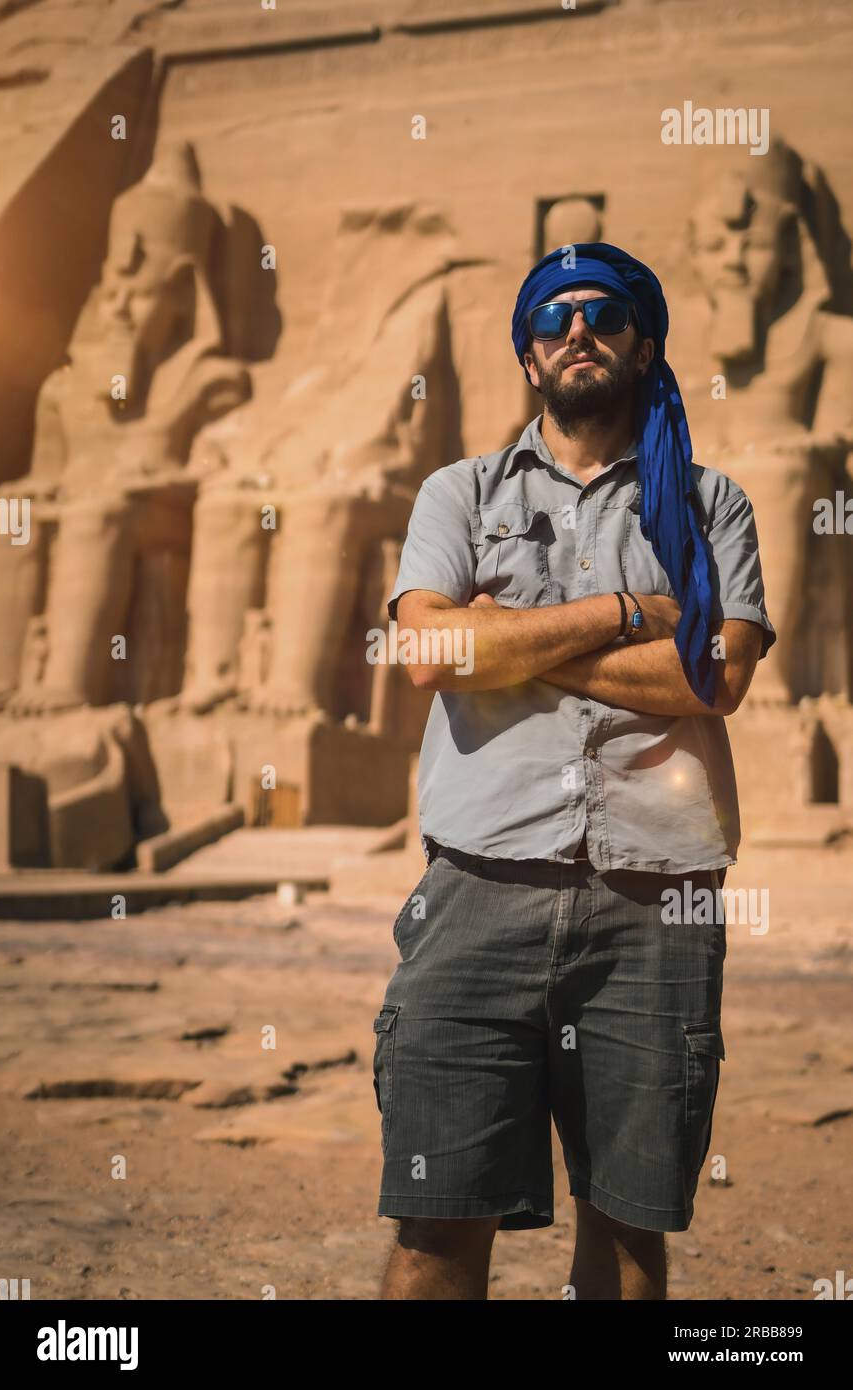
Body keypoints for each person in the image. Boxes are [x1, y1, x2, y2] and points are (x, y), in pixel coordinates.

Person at [372, 242, 775, 1300]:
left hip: (657, 897)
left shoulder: (707, 503)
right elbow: (429, 652)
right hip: (478, 888)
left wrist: (511, 639)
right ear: (526, 353)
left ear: (643, 342)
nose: (576, 334)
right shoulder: (457, 492)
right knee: (433, 1230)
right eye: (552, 319)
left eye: (601, 315)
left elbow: (713, 679)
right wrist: (626, 616)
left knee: (629, 1237)